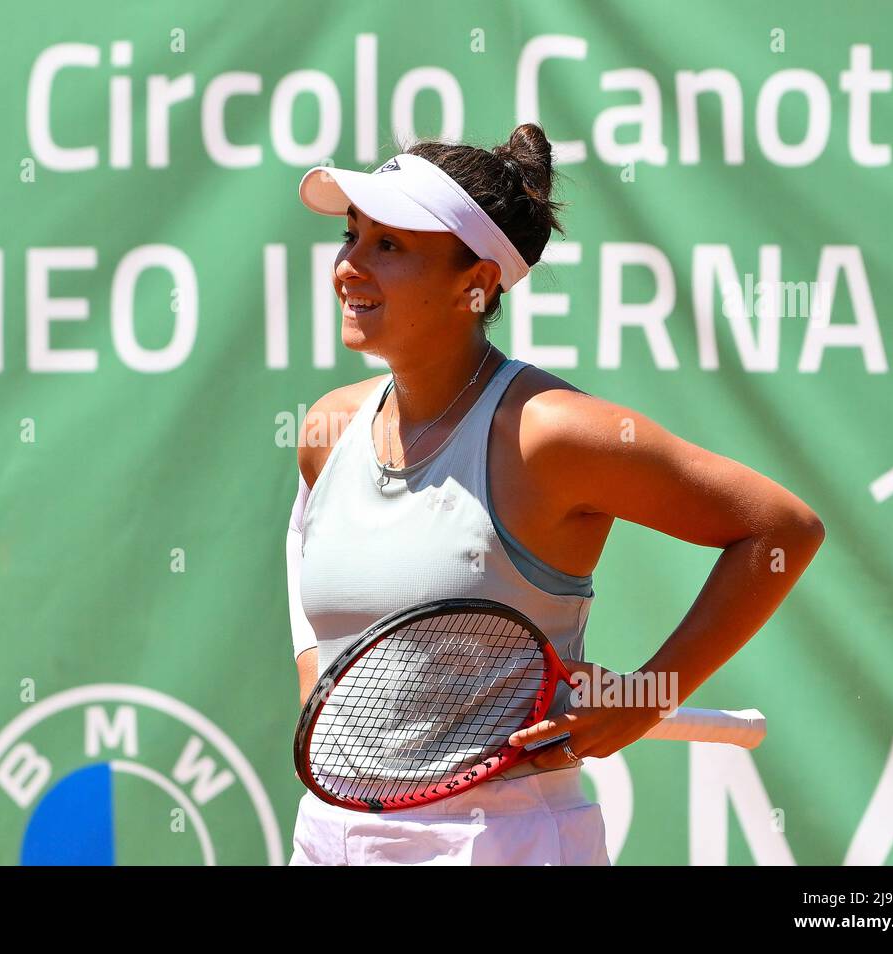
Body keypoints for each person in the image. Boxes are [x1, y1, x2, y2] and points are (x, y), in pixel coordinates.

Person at [284, 124, 825, 866]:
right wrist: (317, 680)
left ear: (475, 284)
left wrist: (645, 699)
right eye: (352, 235)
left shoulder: (552, 432)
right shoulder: (329, 428)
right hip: (328, 833)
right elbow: (303, 545)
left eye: (389, 245)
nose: (349, 266)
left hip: (503, 841)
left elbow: (780, 529)